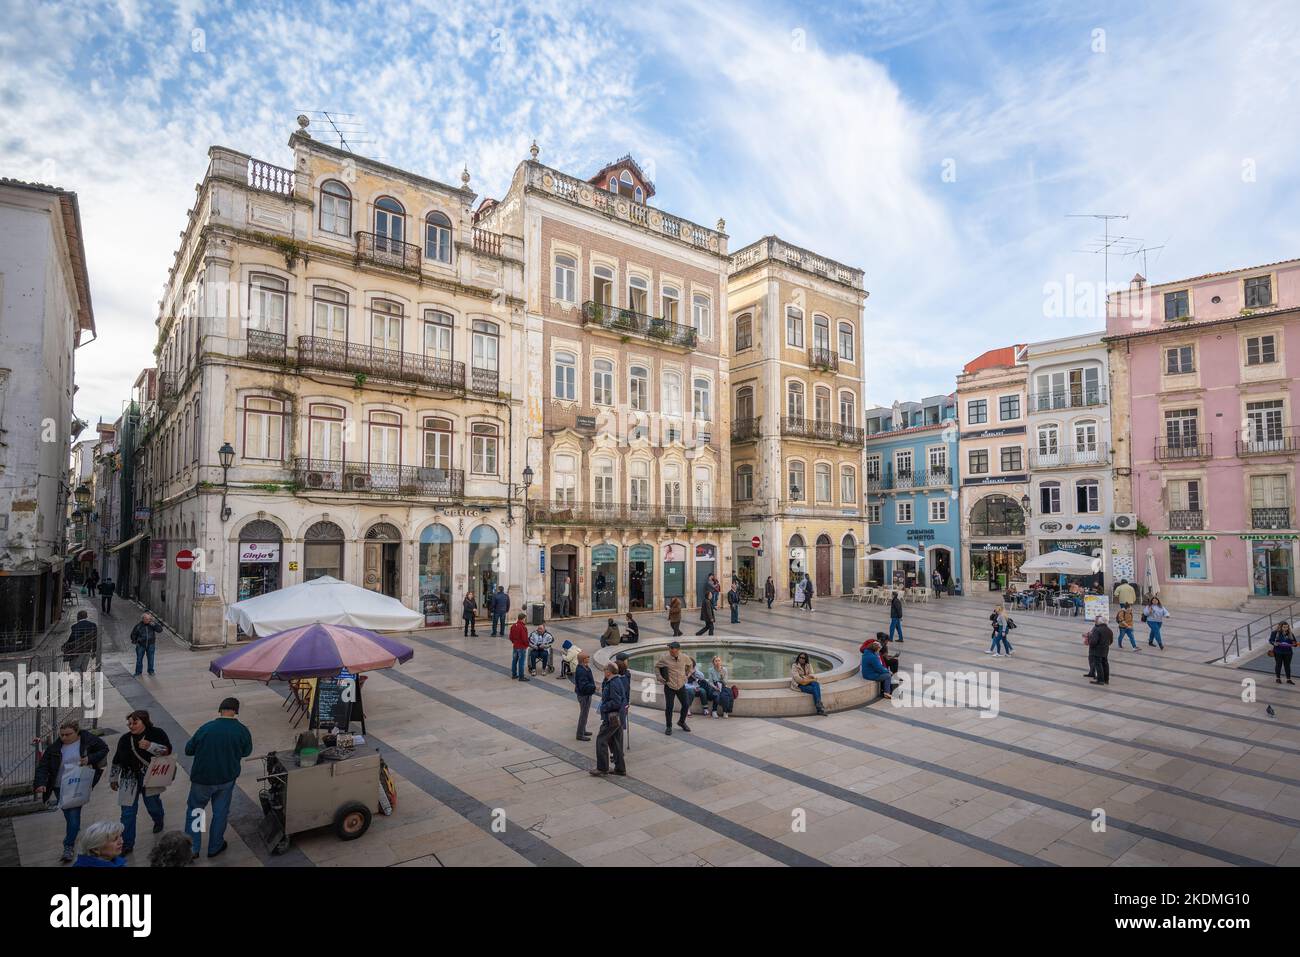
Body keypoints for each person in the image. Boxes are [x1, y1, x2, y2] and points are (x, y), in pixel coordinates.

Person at [184, 697, 252, 860]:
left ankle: (193, 847)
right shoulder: (242, 730)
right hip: (226, 779)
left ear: (220, 710)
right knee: (220, 812)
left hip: (202, 779)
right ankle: (215, 846)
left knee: (197, 811)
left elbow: (188, 750)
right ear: (236, 712)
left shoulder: (206, 728)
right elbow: (246, 752)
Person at [34, 719, 109, 863]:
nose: (64, 738)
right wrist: (41, 783)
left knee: (73, 819)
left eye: (68, 734)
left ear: (77, 732)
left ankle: (68, 847)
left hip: (78, 784)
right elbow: (43, 767)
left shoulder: (88, 740)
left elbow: (104, 749)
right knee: (70, 818)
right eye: (62, 735)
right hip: (59, 786)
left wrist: (89, 759)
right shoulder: (55, 748)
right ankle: (74, 836)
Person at [110, 710, 172, 854]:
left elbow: (167, 751)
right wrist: (113, 778)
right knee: (127, 813)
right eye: (129, 723)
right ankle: (127, 844)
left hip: (150, 776)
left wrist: (150, 746)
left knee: (152, 805)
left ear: (144, 721)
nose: (131, 726)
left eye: (135, 722)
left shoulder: (157, 733)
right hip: (128, 778)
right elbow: (117, 758)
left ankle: (159, 819)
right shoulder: (125, 739)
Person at [590, 662, 628, 777]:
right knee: (615, 742)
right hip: (617, 718)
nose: (604, 673)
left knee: (601, 740)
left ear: (608, 671)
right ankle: (620, 769)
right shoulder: (615, 681)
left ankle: (602, 768)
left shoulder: (613, 683)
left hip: (612, 718)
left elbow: (616, 702)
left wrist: (603, 707)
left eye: (605, 670)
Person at [656, 641, 695, 734]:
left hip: (681, 685)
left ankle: (681, 722)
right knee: (669, 707)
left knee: (686, 704)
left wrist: (687, 674)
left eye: (671, 648)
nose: (670, 649)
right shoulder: (664, 658)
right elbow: (657, 666)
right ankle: (668, 726)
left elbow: (690, 665)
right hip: (669, 686)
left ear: (677, 650)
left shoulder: (685, 657)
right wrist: (659, 677)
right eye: (669, 648)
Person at [130, 612, 163, 677]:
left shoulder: (152, 625)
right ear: (143, 619)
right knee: (139, 659)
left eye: (149, 619)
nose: (148, 620)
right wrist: (136, 642)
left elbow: (160, 630)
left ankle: (151, 671)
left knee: (151, 658)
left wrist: (154, 624)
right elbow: (133, 635)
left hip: (151, 644)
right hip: (140, 645)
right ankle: (138, 672)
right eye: (147, 619)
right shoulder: (138, 626)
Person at [1085, 615, 1114, 686]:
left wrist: (1090, 643)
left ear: (1099, 622)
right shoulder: (1109, 630)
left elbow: (1094, 641)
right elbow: (1111, 641)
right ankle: (1106, 679)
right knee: (1105, 664)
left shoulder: (1098, 630)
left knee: (1098, 664)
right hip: (1105, 649)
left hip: (1097, 650)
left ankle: (1100, 680)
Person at [574, 651, 595, 741]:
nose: (589, 658)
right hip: (584, 695)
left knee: (585, 713)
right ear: (583, 659)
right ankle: (580, 734)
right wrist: (594, 687)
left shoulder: (585, 667)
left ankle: (583, 730)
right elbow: (583, 686)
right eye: (587, 657)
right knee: (583, 714)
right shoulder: (581, 671)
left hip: (587, 694)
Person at [508, 613, 530, 681]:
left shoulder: (514, 626)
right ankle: (521, 677)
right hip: (521, 647)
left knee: (514, 661)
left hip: (515, 647)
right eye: (525, 619)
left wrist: (514, 642)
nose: (525, 620)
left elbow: (510, 637)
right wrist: (527, 645)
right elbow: (524, 639)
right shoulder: (523, 627)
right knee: (521, 662)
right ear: (523, 619)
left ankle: (514, 674)